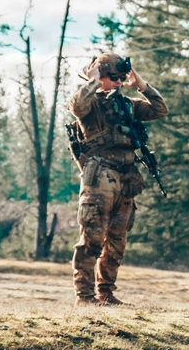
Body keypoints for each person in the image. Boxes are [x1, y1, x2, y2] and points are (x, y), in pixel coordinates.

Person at [69, 53, 168, 305]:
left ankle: (106, 292)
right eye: (113, 77)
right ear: (100, 76)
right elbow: (77, 107)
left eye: (121, 78)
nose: (118, 82)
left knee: (117, 239)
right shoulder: (90, 103)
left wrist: (142, 85)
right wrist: (92, 80)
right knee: (92, 236)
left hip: (126, 177)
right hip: (100, 175)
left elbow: (160, 109)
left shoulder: (128, 105)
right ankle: (85, 296)